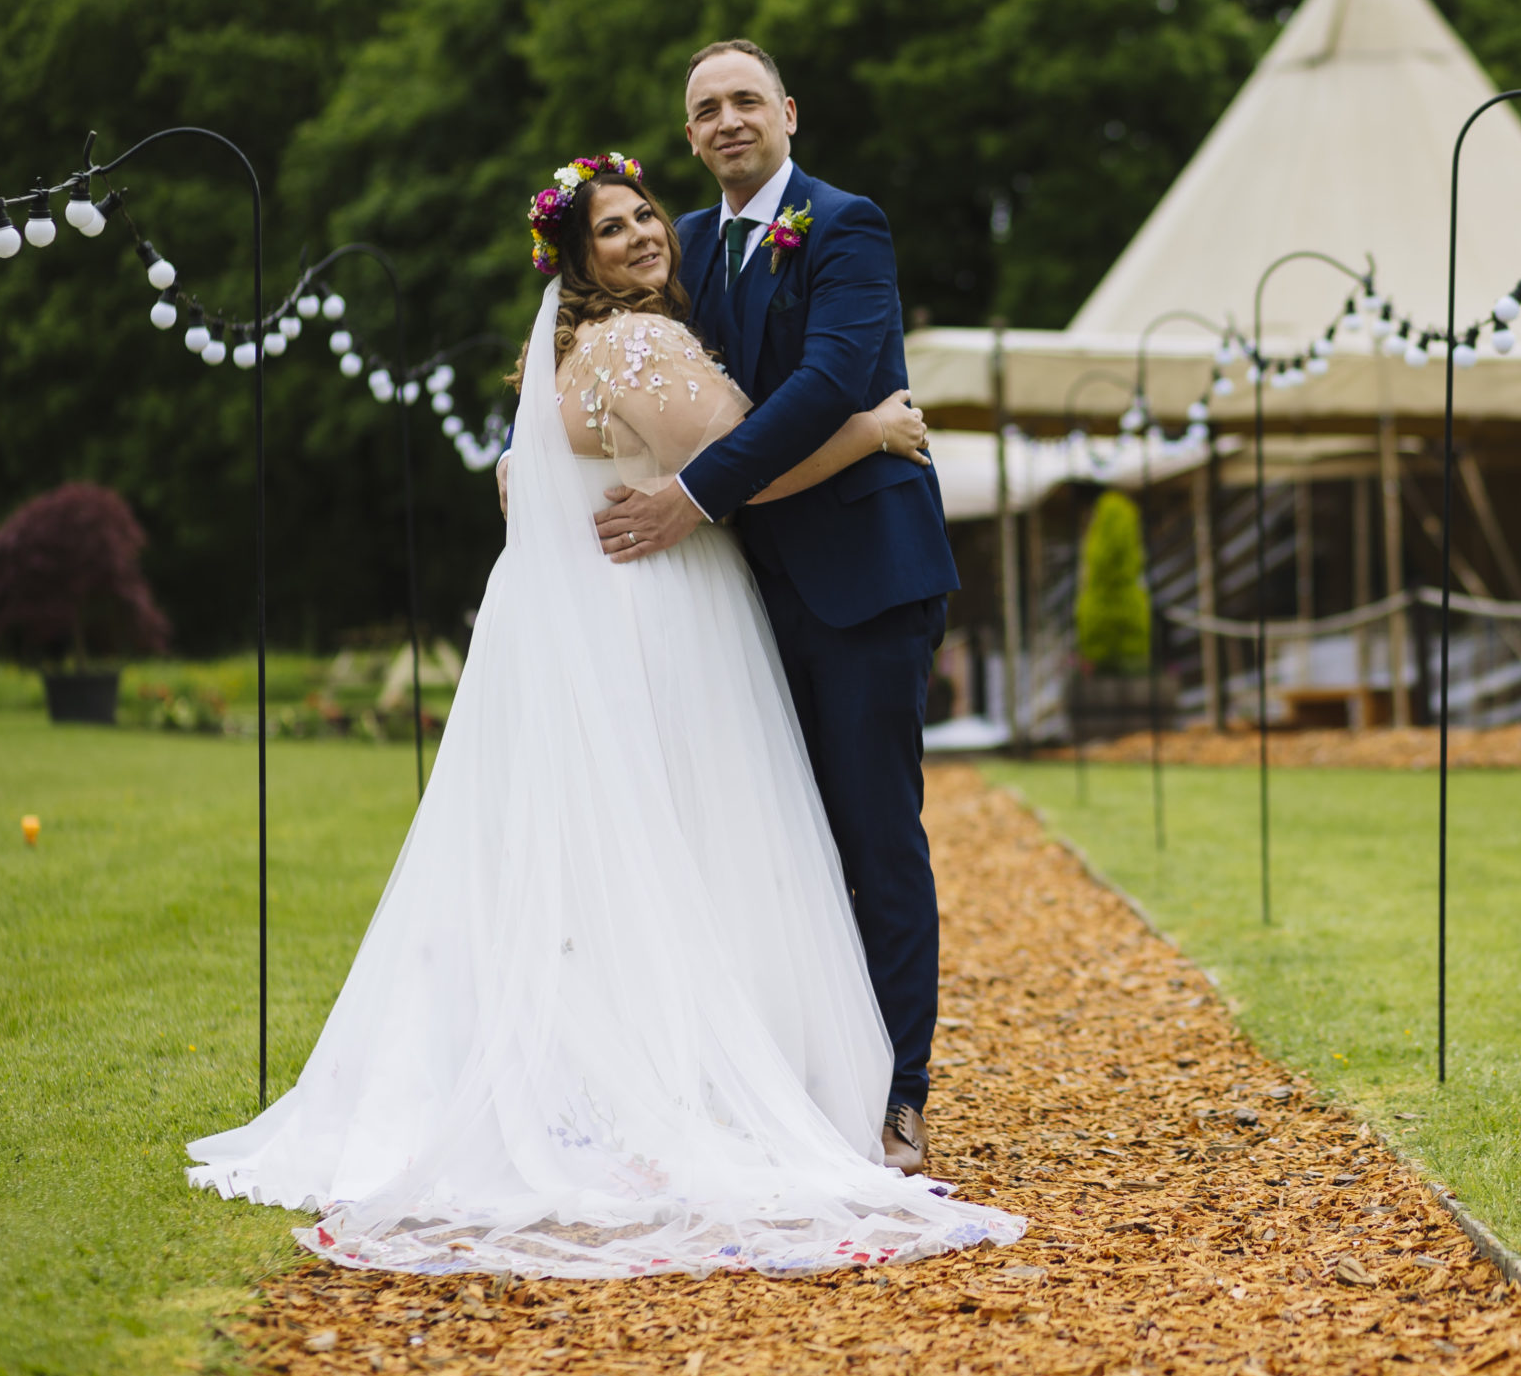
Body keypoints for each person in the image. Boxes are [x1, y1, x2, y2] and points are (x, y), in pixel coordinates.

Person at [185, 153, 1021, 1279]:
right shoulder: (638, 342)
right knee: (708, 848)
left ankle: (724, 1078)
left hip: (632, 612)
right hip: (665, 615)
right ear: (577, 262)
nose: (639, 234)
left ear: (783, 116)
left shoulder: (588, 345)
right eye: (611, 228)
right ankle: (733, 1085)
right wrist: (872, 430)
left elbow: (550, 471)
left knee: (639, 858)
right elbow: (749, 469)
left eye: (641, 216)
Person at [590, 41, 959, 1176]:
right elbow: (599, 349)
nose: (728, 119)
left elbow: (833, 379)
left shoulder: (847, 225)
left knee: (870, 839)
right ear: (689, 138)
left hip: (862, 582)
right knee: (768, 844)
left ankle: (898, 1094)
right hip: (738, 606)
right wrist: (538, 457)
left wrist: (696, 494)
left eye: (746, 99)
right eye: (707, 109)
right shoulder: (683, 249)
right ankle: (798, 1081)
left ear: (788, 113)